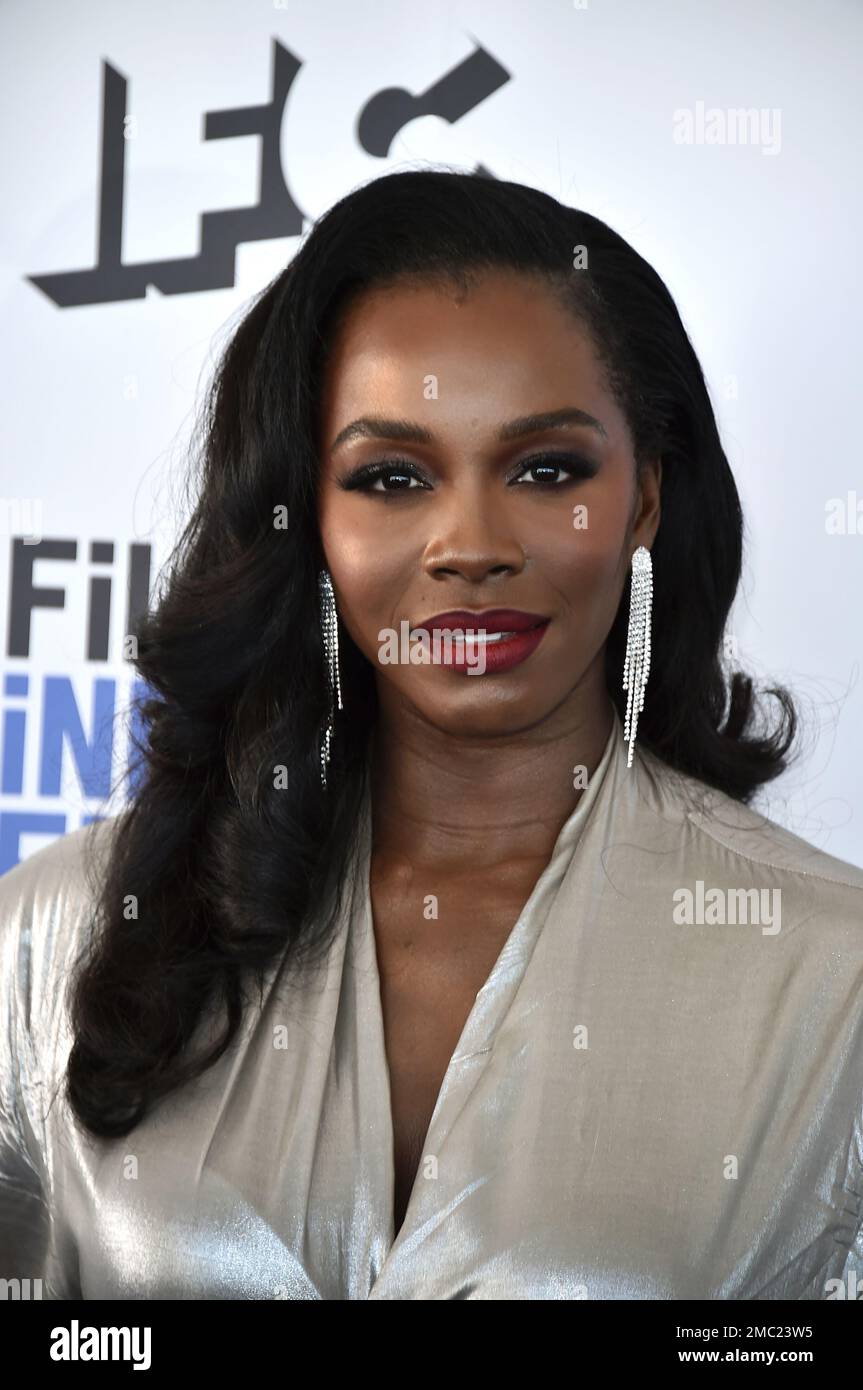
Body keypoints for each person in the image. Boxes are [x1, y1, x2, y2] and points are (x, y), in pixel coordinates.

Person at [1, 169, 861, 1300]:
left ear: (645, 496)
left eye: (546, 468)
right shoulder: (52, 937)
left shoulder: (828, 981)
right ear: (305, 513)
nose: (469, 543)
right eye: (391, 476)